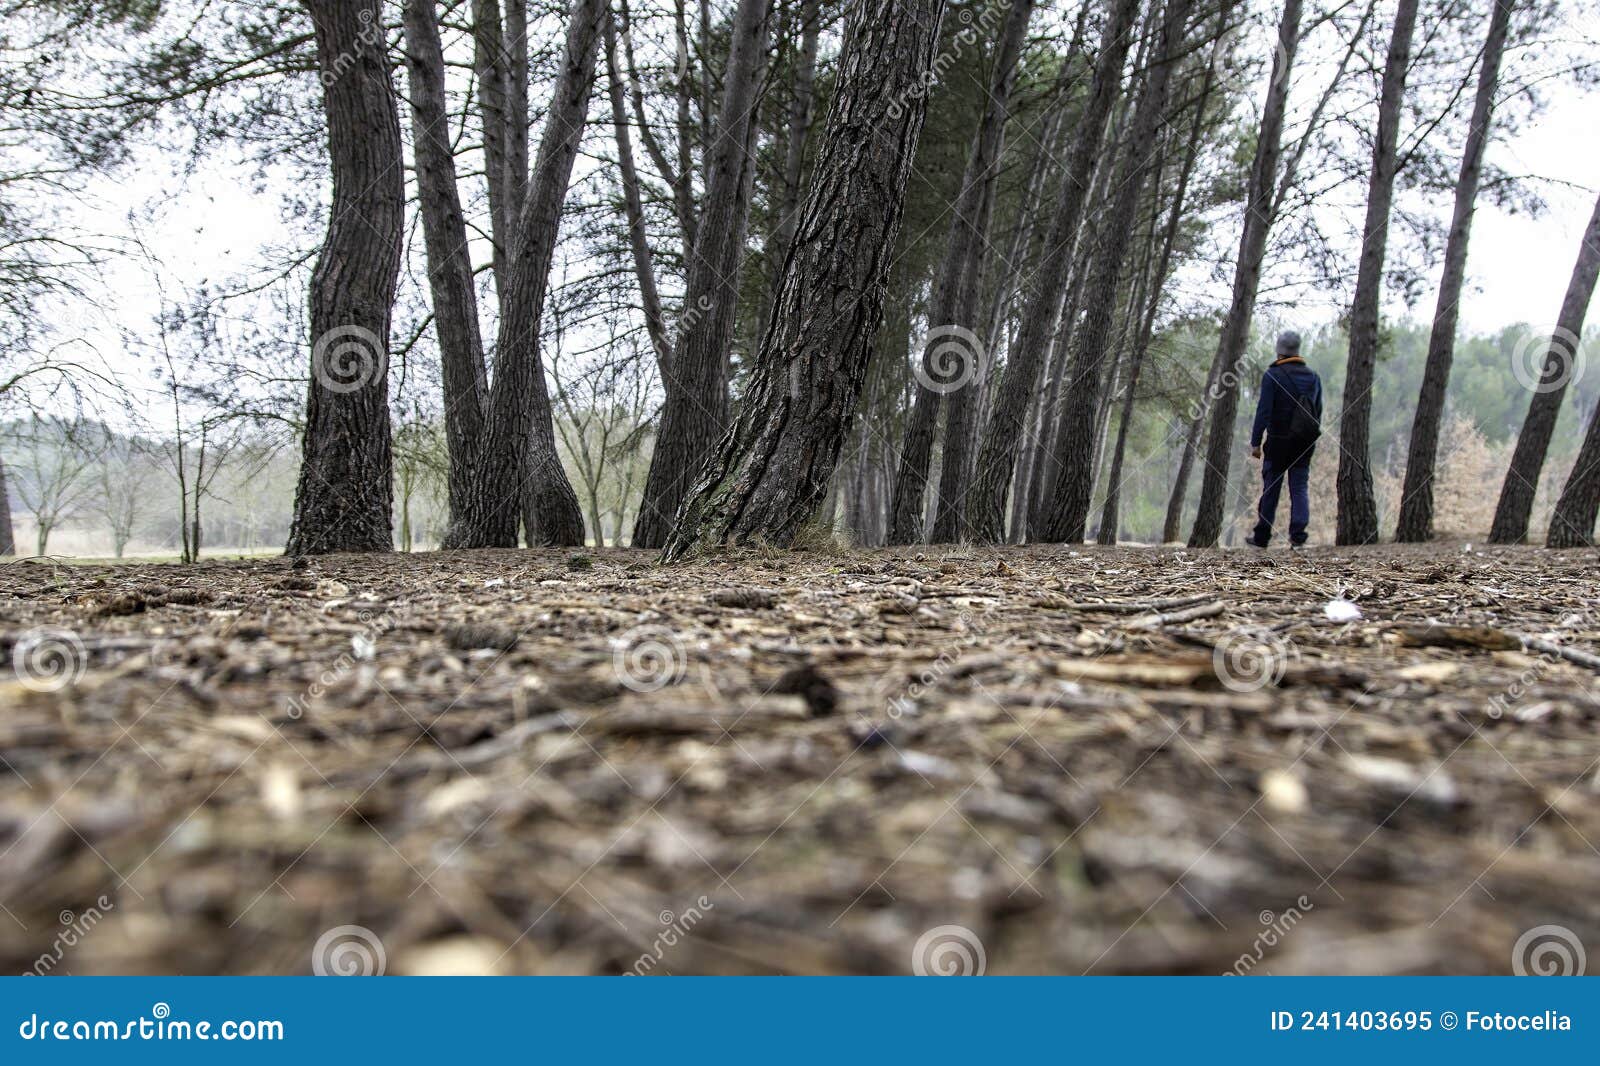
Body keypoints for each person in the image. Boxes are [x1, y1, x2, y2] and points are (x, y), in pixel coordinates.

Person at [1247, 330, 1322, 549]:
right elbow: (1317, 410)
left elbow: (1264, 411)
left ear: (1279, 350)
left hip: (1278, 441)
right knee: (1299, 487)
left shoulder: (1272, 375)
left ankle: (1262, 536)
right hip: (1304, 442)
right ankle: (1298, 536)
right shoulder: (1313, 377)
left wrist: (1256, 442)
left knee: (1271, 488)